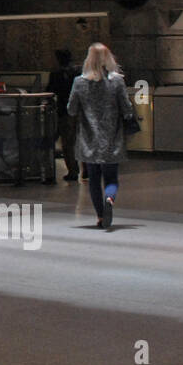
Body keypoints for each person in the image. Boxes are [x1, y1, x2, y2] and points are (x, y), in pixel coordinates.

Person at [67, 42, 133, 230]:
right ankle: (110, 199)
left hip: (89, 139)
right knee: (111, 178)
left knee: (94, 179)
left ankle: (100, 216)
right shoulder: (117, 81)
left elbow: (71, 110)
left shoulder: (79, 82)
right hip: (112, 138)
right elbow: (127, 109)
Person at [46, 49, 80, 182]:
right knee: (80, 140)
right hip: (79, 109)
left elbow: (50, 91)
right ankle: (87, 169)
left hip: (64, 110)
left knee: (67, 142)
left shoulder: (57, 74)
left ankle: (72, 170)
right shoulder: (78, 72)